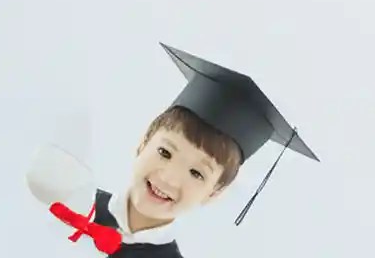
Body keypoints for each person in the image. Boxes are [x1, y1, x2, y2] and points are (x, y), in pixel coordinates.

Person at [41, 44, 319, 256]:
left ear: (215, 192)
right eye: (165, 153)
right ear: (143, 141)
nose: (170, 178)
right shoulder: (68, 198)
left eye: (197, 173)